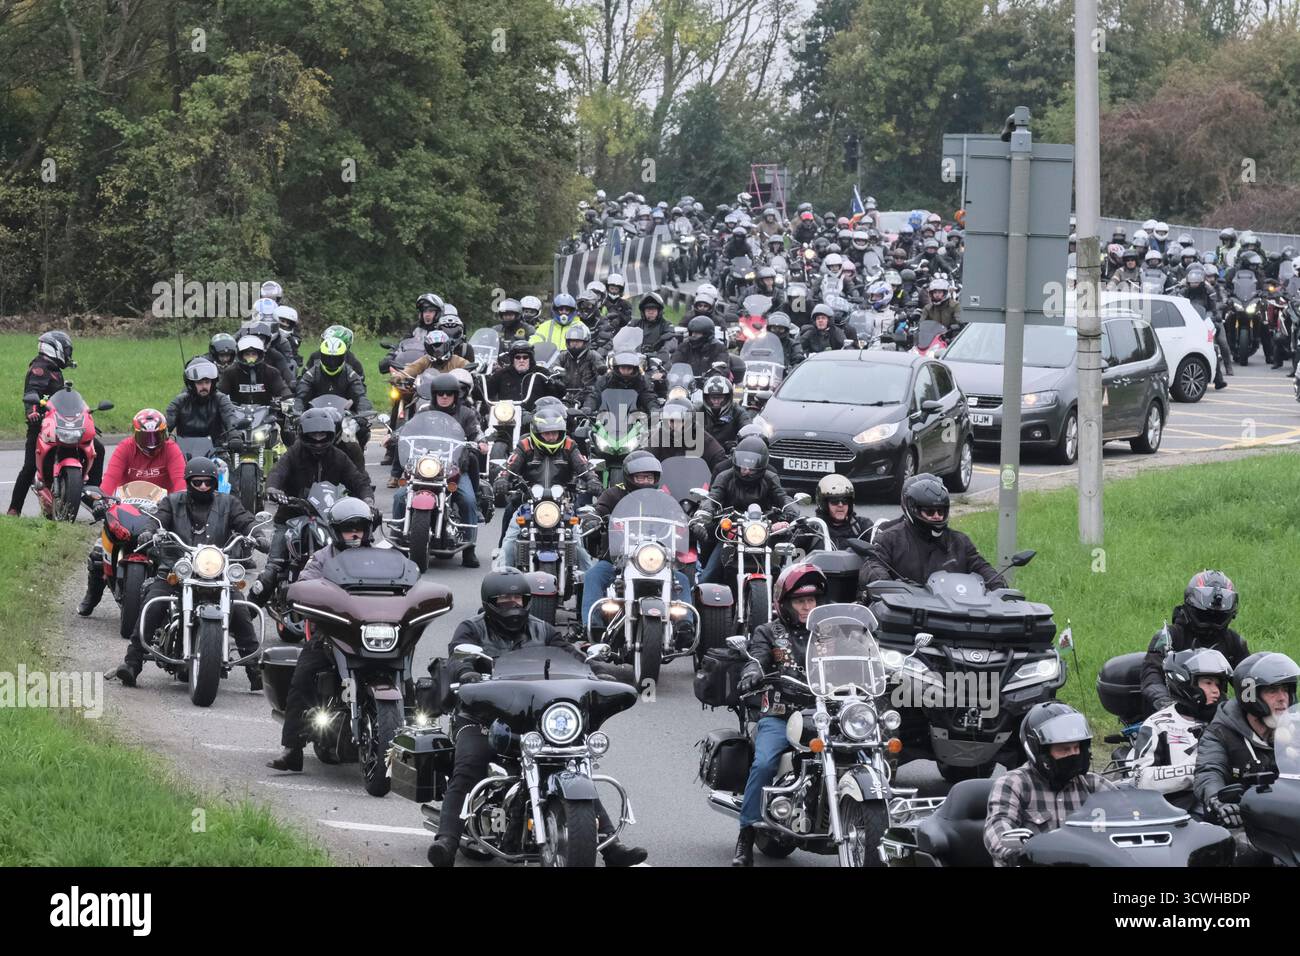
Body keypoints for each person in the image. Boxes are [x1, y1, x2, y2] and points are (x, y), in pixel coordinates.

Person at [427, 569, 648, 868]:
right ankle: (447, 841)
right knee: (468, 765)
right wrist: (466, 672)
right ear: (490, 602)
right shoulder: (472, 629)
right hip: (482, 716)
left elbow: (572, 657)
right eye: (504, 599)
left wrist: (597, 670)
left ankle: (611, 847)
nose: (513, 605)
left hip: (534, 721)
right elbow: (457, 658)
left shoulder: (542, 629)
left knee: (573, 766)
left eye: (518, 598)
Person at [112, 457, 265, 688]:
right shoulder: (173, 502)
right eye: (197, 482)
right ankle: (132, 663)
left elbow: (245, 521)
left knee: (240, 609)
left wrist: (257, 534)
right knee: (153, 603)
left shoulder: (228, 503)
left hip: (215, 572)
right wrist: (149, 531)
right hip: (176, 569)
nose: (203, 487)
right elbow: (156, 520)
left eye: (207, 482)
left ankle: (255, 669)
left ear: (214, 483)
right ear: (188, 482)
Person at [266, 497, 391, 772]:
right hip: (333, 635)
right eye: (349, 528)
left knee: (406, 671)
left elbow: (408, 578)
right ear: (336, 531)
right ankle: (293, 749)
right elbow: (305, 582)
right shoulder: (322, 557)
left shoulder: (385, 556)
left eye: (360, 527)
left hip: (375, 633)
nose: (355, 533)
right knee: (302, 676)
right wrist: (304, 593)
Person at [732, 563, 828, 866]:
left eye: (811, 601)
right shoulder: (769, 631)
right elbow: (757, 658)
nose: (807, 607)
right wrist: (751, 672)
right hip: (781, 714)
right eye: (801, 601)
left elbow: (855, 656)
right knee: (763, 764)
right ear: (785, 604)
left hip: (825, 715)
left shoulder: (828, 632)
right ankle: (746, 835)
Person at [76, 410, 188, 617]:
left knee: (179, 556)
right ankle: (93, 596)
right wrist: (101, 501)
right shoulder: (125, 447)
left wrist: (179, 503)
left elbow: (181, 483)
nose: (152, 441)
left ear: (165, 435)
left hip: (160, 513)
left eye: (157, 436)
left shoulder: (172, 449)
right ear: (136, 435)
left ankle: (177, 602)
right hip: (125, 509)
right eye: (146, 436)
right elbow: (109, 480)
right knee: (98, 553)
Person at [253, 407, 375, 596]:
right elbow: (277, 472)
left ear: (331, 434)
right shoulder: (294, 453)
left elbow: (359, 480)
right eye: (313, 435)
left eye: (322, 435)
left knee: (360, 556)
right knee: (271, 571)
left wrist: (368, 501)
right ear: (303, 435)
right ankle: (245, 615)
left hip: (330, 519)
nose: (318, 440)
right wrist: (272, 489)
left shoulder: (339, 457)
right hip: (291, 517)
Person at [983, 701, 1117, 866]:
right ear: (1041, 752)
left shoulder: (1093, 785)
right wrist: (1021, 854)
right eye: (1064, 749)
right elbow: (998, 827)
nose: (1073, 754)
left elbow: (1129, 813)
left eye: (1076, 748)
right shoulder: (1014, 784)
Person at [580, 452, 690, 632]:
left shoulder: (664, 498)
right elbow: (599, 509)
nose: (645, 481)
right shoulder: (613, 494)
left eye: (649, 477)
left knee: (682, 581)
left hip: (655, 560)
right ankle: (592, 626)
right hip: (617, 560)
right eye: (640, 477)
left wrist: (691, 525)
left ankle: (685, 625)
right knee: (593, 576)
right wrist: (593, 517)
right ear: (629, 476)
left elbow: (680, 517)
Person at [1194, 652, 1298, 840]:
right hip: (1246, 823)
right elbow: (1209, 771)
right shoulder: (1220, 733)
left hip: (1290, 817)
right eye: (1272, 690)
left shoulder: (1294, 730)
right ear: (1250, 695)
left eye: (1286, 689)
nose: (1283, 698)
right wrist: (1218, 801)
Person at [9, 331, 107, 515]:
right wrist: (32, 412)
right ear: (55, 348)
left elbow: (64, 400)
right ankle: (14, 510)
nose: (69, 355)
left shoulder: (54, 370)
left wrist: (83, 419)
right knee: (30, 467)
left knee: (98, 449)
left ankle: (93, 490)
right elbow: (32, 393)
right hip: (40, 425)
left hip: (60, 423)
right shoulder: (39, 368)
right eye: (67, 350)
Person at [492, 400, 599, 564]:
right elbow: (510, 466)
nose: (551, 437)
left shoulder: (569, 445)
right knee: (508, 545)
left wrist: (592, 479)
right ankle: (502, 576)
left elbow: (583, 466)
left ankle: (587, 585)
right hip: (529, 503)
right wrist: (502, 479)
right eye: (547, 433)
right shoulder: (525, 445)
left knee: (579, 549)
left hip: (564, 504)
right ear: (536, 432)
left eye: (555, 433)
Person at [859, 474, 1006, 591]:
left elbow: (981, 567)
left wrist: (999, 587)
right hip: (905, 612)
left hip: (953, 612)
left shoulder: (960, 542)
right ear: (913, 510)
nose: (936, 516)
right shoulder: (889, 539)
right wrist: (887, 586)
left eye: (940, 511)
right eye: (930, 511)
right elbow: (873, 563)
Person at [1129, 648, 1232, 808]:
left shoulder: (1227, 721)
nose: (1216, 691)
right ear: (1185, 682)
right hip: (1178, 811)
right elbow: (1139, 778)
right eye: (1208, 683)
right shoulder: (1158, 724)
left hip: (1225, 803)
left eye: (1218, 684)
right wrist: (1197, 771)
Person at [1139, 570, 1249, 717]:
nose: (1211, 621)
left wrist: (1257, 708)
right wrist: (1164, 703)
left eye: (1218, 616)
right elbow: (1151, 675)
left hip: (1214, 715)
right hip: (1170, 713)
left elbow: (1248, 680)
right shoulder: (1169, 637)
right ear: (1191, 607)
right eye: (1205, 615)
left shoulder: (1233, 641)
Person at [693, 437, 798, 585]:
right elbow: (713, 497)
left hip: (761, 531)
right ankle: (698, 600)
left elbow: (783, 498)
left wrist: (789, 514)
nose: (746, 471)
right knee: (708, 575)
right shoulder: (724, 477)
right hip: (731, 533)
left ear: (761, 466)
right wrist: (706, 511)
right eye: (743, 466)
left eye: (751, 467)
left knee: (781, 570)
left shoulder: (770, 478)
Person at [295, 337, 374, 457]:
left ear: (343, 357)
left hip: (344, 420)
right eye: (328, 358)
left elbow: (361, 396)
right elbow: (301, 396)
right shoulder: (311, 374)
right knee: (296, 439)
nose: (332, 362)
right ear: (321, 356)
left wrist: (363, 413)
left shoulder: (351, 374)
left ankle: (359, 469)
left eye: (336, 359)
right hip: (316, 417)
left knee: (362, 432)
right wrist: (297, 413)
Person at [166, 358, 246, 444]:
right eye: (199, 383)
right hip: (185, 453)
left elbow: (231, 418)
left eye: (207, 382)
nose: (204, 386)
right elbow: (166, 423)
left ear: (213, 383)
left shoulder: (221, 399)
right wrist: (158, 435)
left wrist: (235, 436)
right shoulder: (180, 401)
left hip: (217, 451)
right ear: (191, 384)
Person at [644, 399, 727, 476]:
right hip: (664, 488)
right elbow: (646, 459)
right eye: (671, 420)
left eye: (680, 420)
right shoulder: (659, 436)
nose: (674, 425)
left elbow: (719, 459)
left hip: (697, 488)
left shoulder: (702, 438)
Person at [798, 474, 871, 552]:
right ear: (824, 504)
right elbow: (793, 555)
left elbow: (880, 549)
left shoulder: (862, 526)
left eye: (845, 501)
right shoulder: (811, 528)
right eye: (834, 501)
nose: (840, 505)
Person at [218, 335, 292, 407]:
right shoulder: (230, 372)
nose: (251, 357)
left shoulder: (271, 372)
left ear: (259, 355)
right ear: (241, 355)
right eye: (247, 354)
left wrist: (288, 401)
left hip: (266, 414)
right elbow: (220, 393)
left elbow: (282, 390)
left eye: (254, 354)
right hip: (236, 414)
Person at [484, 340, 561, 406]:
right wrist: (479, 383)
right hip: (507, 416)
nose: (521, 360)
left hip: (535, 415)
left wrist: (556, 384)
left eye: (525, 357)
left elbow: (556, 395)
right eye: (517, 357)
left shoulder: (541, 372)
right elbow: (487, 392)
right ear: (512, 359)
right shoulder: (501, 374)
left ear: (530, 359)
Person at [583, 351, 658, 416]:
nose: (625, 371)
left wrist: (653, 408)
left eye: (629, 368)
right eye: (623, 368)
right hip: (607, 418)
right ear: (617, 368)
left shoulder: (641, 381)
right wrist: (588, 406)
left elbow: (648, 397)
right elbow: (595, 395)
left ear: (634, 368)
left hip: (634, 421)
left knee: (653, 430)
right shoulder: (606, 379)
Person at [700, 374, 752, 451]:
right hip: (702, 457)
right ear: (706, 397)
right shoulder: (697, 410)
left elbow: (748, 429)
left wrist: (738, 443)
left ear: (728, 397)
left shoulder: (738, 412)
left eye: (720, 397)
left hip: (727, 456)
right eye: (712, 398)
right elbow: (683, 430)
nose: (716, 401)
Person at [554, 324, 604, 403]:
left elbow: (602, 377)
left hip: (588, 396)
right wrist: (555, 380)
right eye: (572, 341)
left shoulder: (593, 356)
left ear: (585, 342)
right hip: (564, 396)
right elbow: (552, 370)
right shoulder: (563, 356)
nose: (574, 344)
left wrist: (593, 387)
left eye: (578, 341)